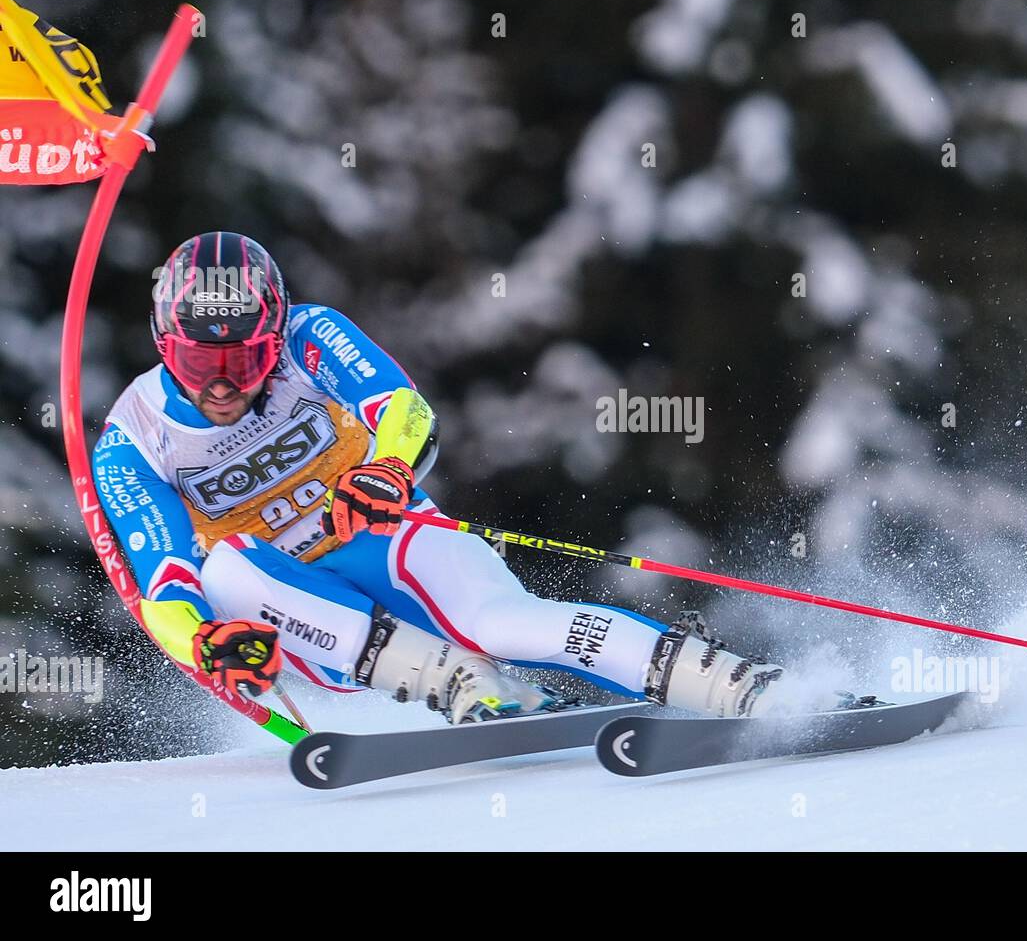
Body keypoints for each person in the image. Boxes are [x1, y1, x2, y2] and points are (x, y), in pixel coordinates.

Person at [93, 231, 789, 724]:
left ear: (273, 338)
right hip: (297, 614)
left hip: (382, 539)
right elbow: (165, 585)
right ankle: (459, 684)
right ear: (164, 342)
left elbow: (404, 409)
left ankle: (730, 683)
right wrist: (205, 644)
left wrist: (387, 470)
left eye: (243, 364)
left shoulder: (310, 336)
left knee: (504, 623)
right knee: (223, 572)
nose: (221, 385)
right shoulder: (134, 440)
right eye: (198, 363)